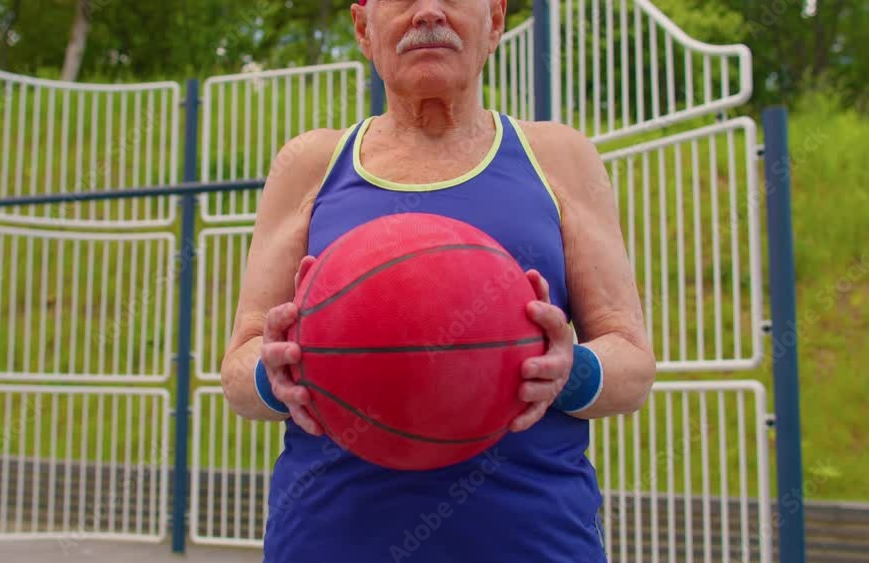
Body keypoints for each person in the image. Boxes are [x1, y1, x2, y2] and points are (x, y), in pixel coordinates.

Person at [220, 0, 656, 561]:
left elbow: (633, 367)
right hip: (332, 538)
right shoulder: (310, 164)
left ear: (494, 20)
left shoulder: (558, 157)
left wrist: (567, 371)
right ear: (363, 28)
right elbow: (238, 372)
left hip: (532, 540)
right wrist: (273, 371)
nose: (428, 12)